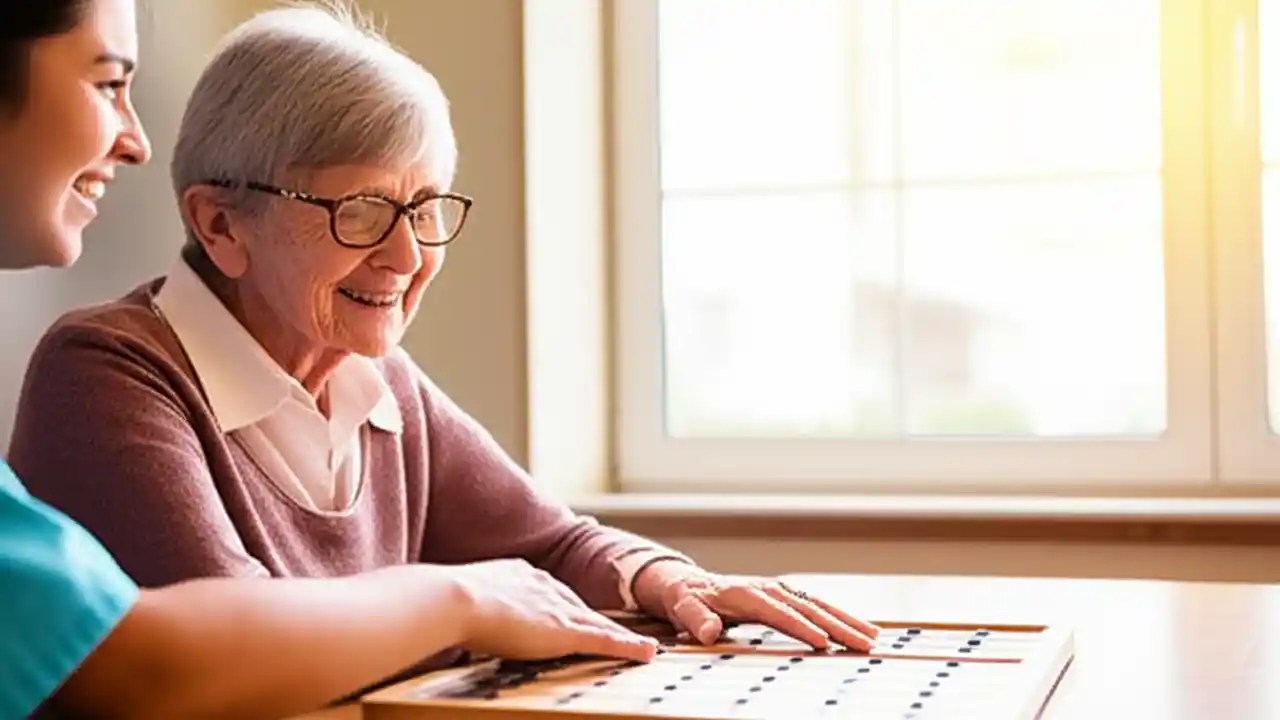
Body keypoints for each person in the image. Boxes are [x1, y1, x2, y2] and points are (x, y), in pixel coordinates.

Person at [3, 1, 877, 717]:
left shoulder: (377, 380)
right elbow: (244, 664)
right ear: (222, 225)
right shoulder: (111, 371)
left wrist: (671, 579)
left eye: (426, 209)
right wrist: (464, 602)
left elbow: (550, 543)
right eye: (360, 213)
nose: (407, 255)